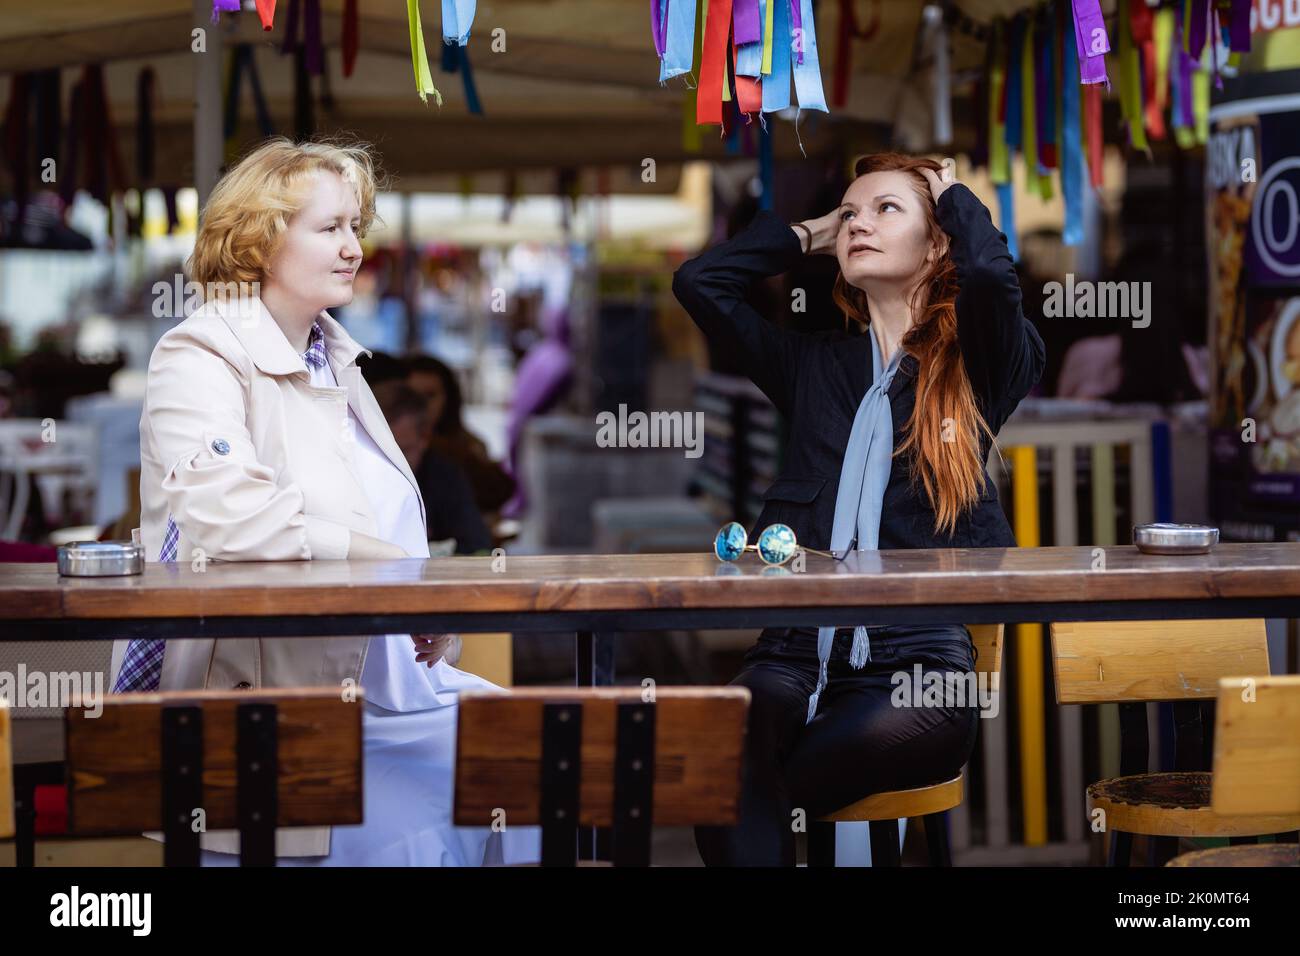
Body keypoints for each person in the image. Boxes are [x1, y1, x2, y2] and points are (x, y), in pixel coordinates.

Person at [108, 136, 537, 866]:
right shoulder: (199, 353)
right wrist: (389, 570)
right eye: (329, 227)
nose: (351, 247)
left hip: (379, 699)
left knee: (535, 758)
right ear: (262, 240)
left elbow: (380, 529)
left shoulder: (334, 357)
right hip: (277, 711)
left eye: (354, 228)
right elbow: (227, 515)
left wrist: (430, 619)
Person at [674, 153, 1045, 866]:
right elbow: (699, 284)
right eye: (850, 213)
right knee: (716, 759)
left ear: (937, 243)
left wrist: (957, 198)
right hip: (789, 654)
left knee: (756, 786)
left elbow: (995, 280)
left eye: (886, 211)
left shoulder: (981, 363)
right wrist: (806, 234)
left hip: (915, 663)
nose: (859, 224)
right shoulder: (813, 366)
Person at [372, 379, 493, 555]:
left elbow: (479, 550)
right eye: (377, 453)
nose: (389, 464)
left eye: (402, 452)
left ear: (425, 438)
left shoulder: (445, 478)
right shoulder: (345, 479)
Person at [406, 354, 515, 518]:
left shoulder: (471, 447)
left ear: (448, 399)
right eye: (412, 396)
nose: (422, 404)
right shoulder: (388, 445)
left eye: (430, 395)